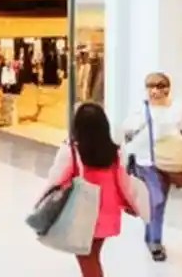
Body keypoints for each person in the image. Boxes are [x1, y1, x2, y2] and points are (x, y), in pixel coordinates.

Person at [43, 103, 140, 277]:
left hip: (82, 214)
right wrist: (133, 204)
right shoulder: (114, 152)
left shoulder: (72, 151)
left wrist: (42, 201)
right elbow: (123, 183)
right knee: (92, 256)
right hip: (108, 213)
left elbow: (56, 179)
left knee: (87, 260)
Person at [122, 72, 182, 262]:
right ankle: (155, 242)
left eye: (159, 87)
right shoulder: (141, 108)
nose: (154, 91)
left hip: (169, 161)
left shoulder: (176, 109)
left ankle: (151, 237)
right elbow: (127, 128)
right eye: (150, 87)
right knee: (157, 199)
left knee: (158, 202)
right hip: (146, 161)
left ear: (167, 89)